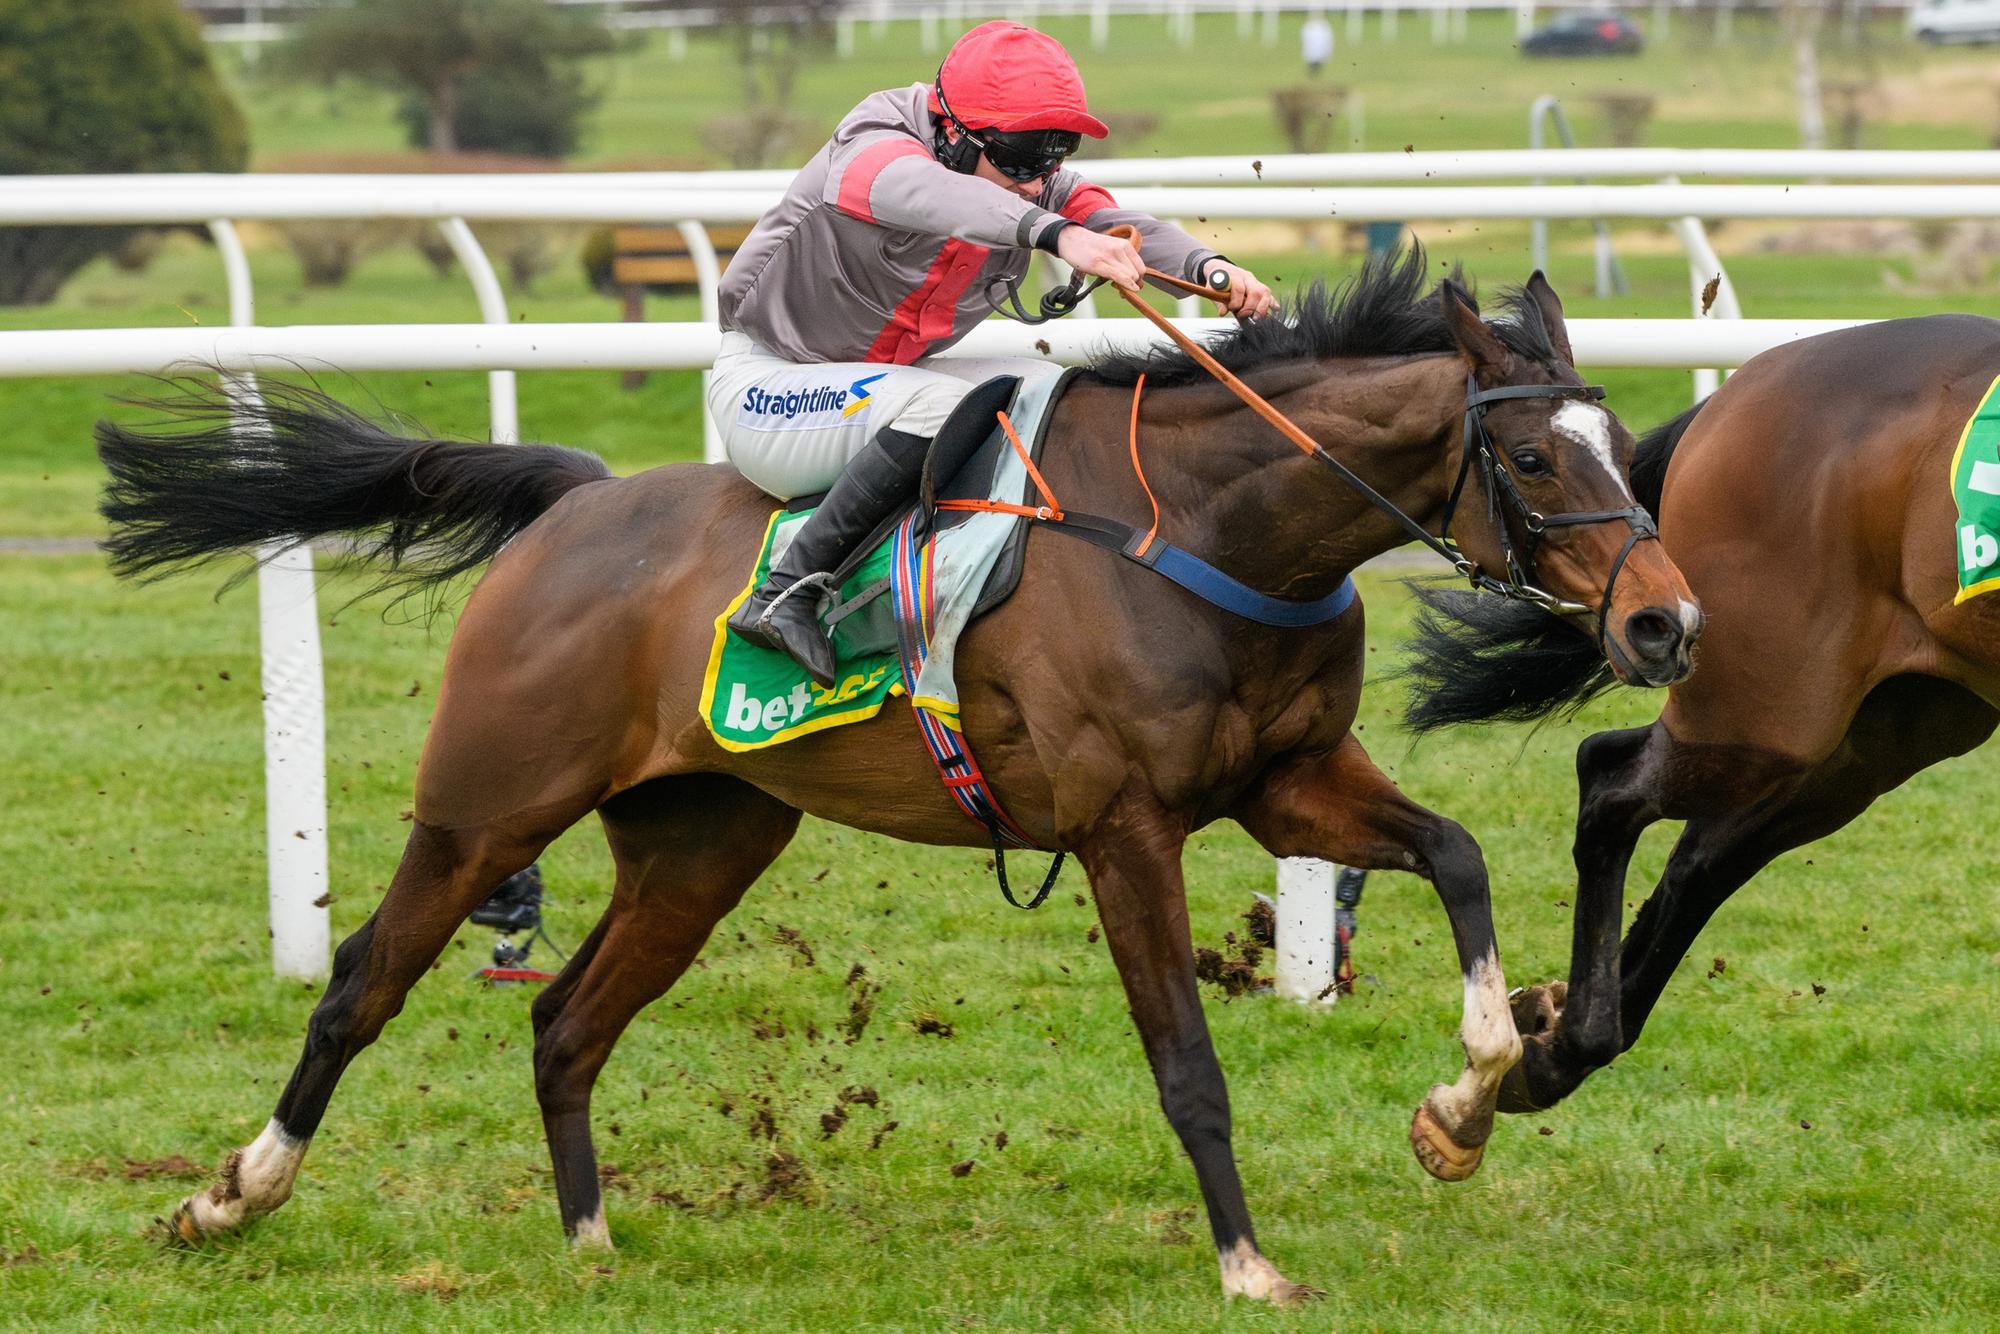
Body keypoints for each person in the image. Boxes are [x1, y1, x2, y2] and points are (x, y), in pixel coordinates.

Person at [714, 20, 1278, 688]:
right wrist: (1056, 236)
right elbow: (933, 195)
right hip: (771, 383)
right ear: (950, 130)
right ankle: (786, 591)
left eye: (1055, 151)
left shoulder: (1029, 183)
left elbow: (1113, 222)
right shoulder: (873, 148)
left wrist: (1209, 267)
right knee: (942, 402)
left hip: (879, 384)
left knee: (1044, 390)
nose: (1037, 178)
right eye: (1019, 153)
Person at [1301, 11, 1335, 79]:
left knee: (1317, 60)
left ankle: (1315, 72)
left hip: (1317, 49)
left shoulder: (1323, 27)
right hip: (1312, 49)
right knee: (1313, 59)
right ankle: (1313, 73)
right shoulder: (1311, 26)